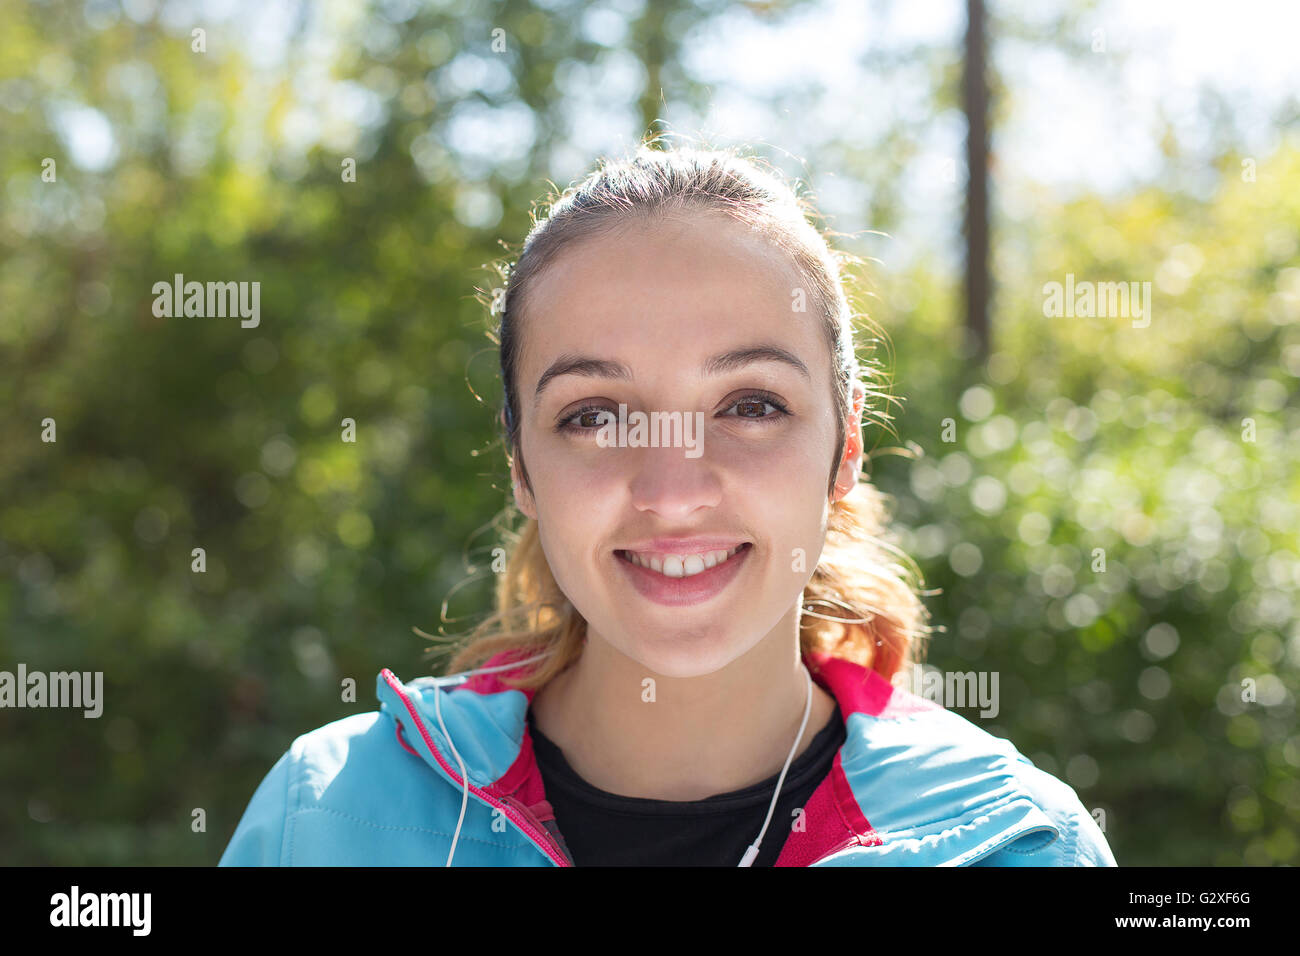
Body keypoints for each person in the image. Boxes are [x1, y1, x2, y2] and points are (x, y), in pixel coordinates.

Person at [219, 141, 1118, 867]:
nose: (673, 490)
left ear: (844, 453)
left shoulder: (1022, 843)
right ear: (522, 469)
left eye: (750, 406)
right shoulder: (323, 815)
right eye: (595, 416)